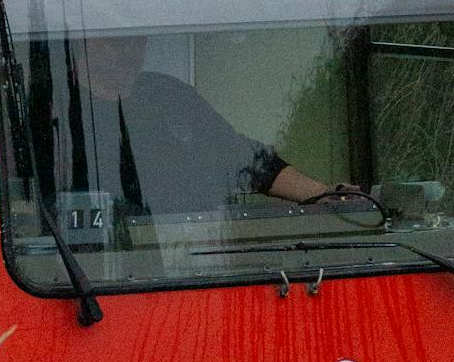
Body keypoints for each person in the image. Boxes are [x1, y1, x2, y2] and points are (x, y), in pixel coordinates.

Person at [64, 34, 364, 222]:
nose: (131, 52)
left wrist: (321, 193)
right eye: (118, 41)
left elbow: (244, 159)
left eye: (138, 41)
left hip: (199, 257)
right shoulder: (55, 108)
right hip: (103, 271)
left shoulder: (167, 94)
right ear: (84, 40)